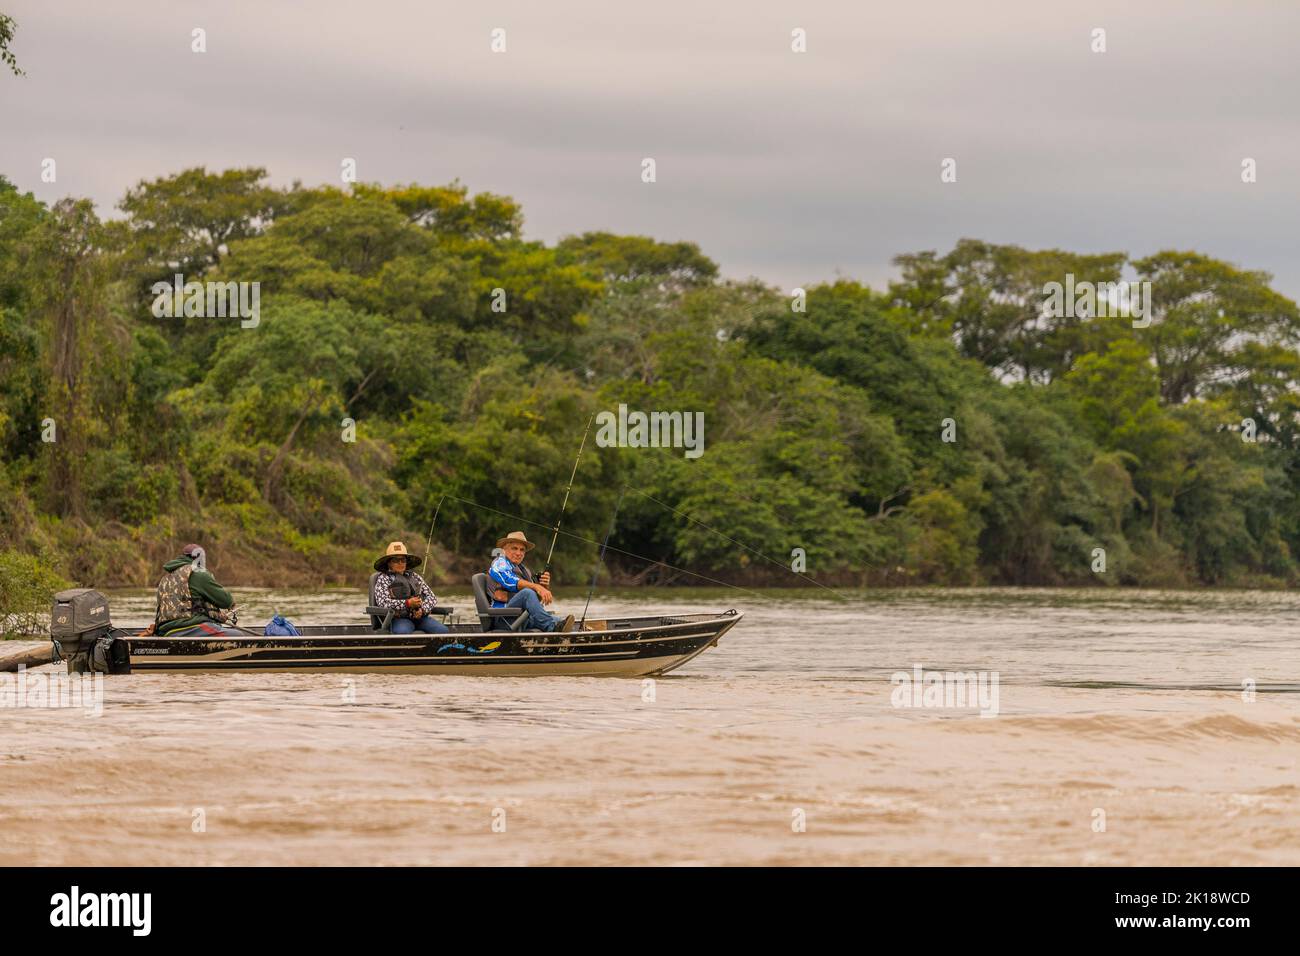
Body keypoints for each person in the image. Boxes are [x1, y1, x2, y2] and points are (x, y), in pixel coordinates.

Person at [487, 531, 575, 632]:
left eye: (522, 550)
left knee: (560, 622)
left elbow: (535, 602)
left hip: (523, 618)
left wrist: (543, 586)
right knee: (527, 593)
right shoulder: (499, 563)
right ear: (504, 550)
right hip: (503, 619)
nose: (518, 553)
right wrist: (537, 587)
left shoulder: (524, 571)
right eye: (514, 548)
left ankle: (561, 629)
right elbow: (509, 581)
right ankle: (552, 627)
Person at [153, 544, 238, 636]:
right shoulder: (198, 573)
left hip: (164, 631)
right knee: (239, 635)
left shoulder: (165, 578)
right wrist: (231, 603)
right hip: (190, 627)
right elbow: (226, 601)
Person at [372, 541, 449, 635]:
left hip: (420, 618)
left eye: (403, 560)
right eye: (396, 560)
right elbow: (383, 603)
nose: (400, 563)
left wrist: (422, 610)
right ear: (389, 563)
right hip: (399, 619)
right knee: (402, 632)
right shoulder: (383, 578)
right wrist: (407, 603)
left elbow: (432, 597)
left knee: (443, 631)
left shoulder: (415, 577)